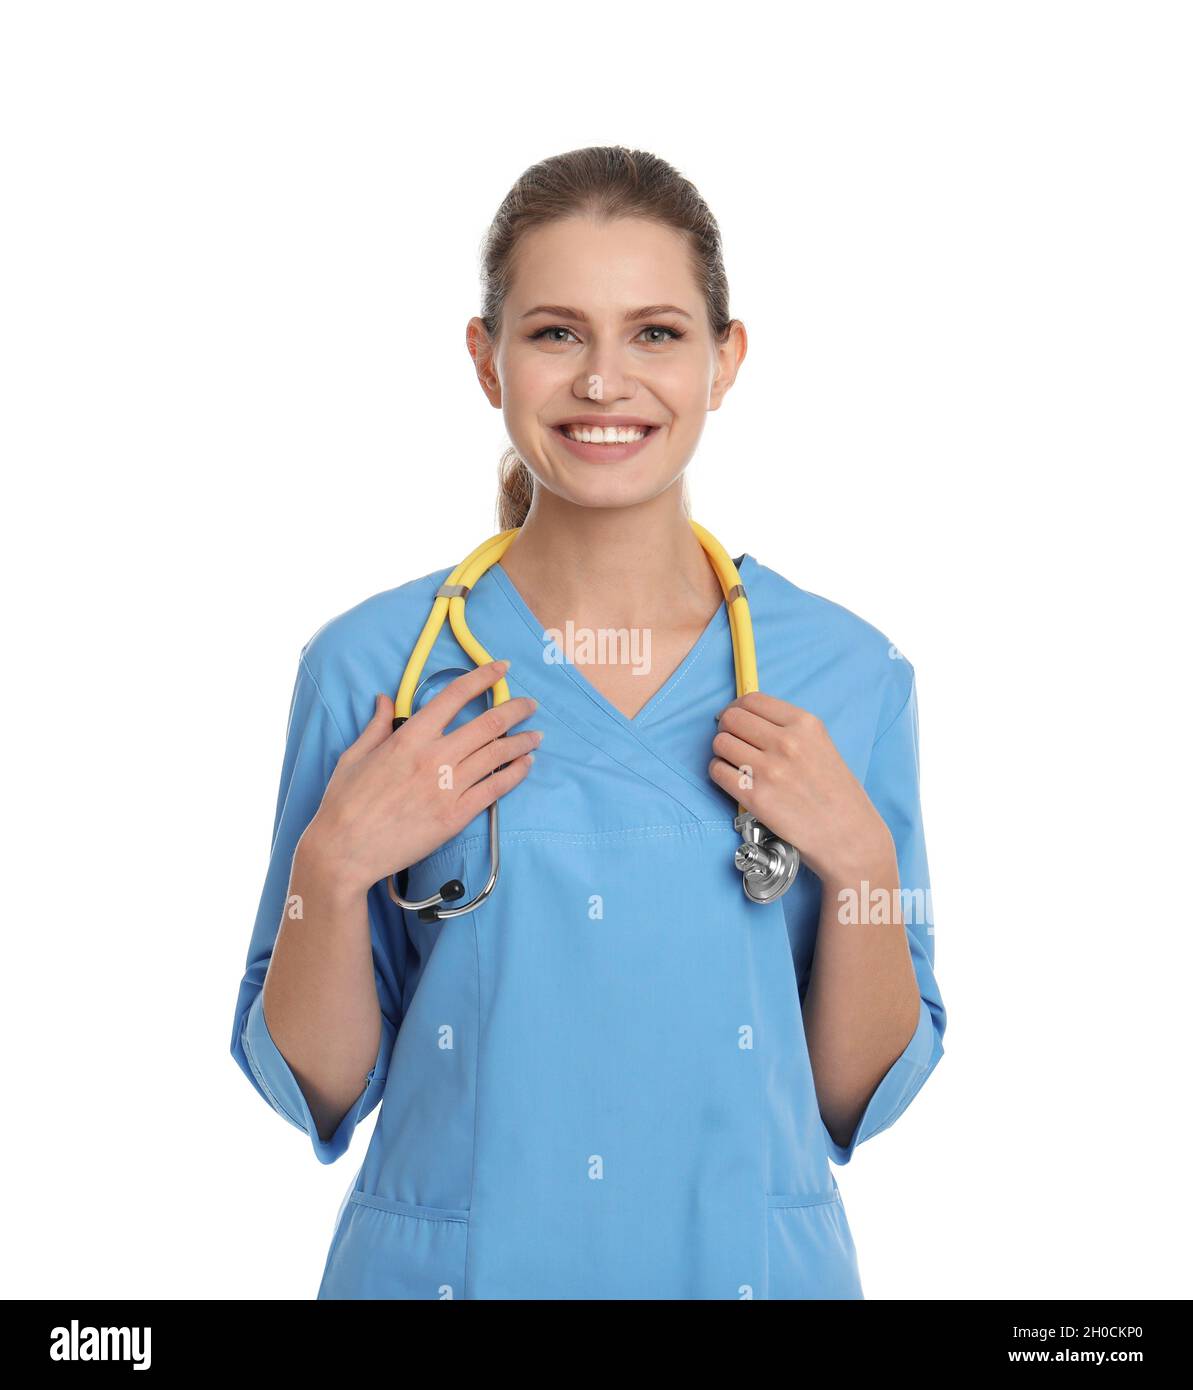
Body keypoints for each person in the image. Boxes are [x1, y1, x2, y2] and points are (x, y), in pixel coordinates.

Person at [229, 145, 946, 1300]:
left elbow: (850, 1097)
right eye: (555, 332)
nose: (604, 382)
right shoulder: (373, 668)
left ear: (725, 360)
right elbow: (314, 1085)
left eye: (656, 333)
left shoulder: (847, 673)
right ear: (485, 358)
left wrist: (857, 856)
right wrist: (334, 859)